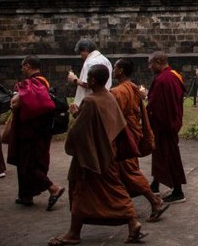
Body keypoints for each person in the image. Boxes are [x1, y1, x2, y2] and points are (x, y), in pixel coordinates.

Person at [48, 65, 147, 246]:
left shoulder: (91, 101)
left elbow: (79, 132)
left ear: (92, 80)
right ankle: (133, 222)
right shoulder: (109, 97)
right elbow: (114, 124)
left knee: (80, 191)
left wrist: (76, 115)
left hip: (91, 156)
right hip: (109, 152)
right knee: (114, 189)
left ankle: (73, 233)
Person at [109, 58, 170, 223]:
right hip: (132, 131)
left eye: (115, 67)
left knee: (130, 171)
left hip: (123, 134)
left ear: (121, 70)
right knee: (125, 170)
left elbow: (115, 116)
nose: (113, 70)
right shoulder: (133, 87)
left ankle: (155, 201)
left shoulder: (118, 91)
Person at [7, 55, 64, 209]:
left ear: (27, 66)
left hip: (29, 131)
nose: (21, 69)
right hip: (42, 130)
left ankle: (53, 188)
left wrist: (14, 103)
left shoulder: (29, 84)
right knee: (34, 161)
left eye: (22, 67)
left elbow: (15, 103)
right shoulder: (43, 83)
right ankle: (26, 196)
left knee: (28, 164)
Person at [145, 51, 187, 203]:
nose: (150, 67)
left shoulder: (164, 80)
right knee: (160, 155)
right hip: (169, 123)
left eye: (150, 64)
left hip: (165, 125)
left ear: (157, 62)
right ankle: (155, 184)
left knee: (169, 156)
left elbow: (161, 105)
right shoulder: (173, 75)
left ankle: (178, 191)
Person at [67, 38, 112, 108]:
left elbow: (88, 84)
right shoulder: (106, 60)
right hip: (105, 97)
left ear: (85, 50)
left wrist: (74, 79)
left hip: (92, 101)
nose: (81, 56)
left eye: (80, 53)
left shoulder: (90, 62)